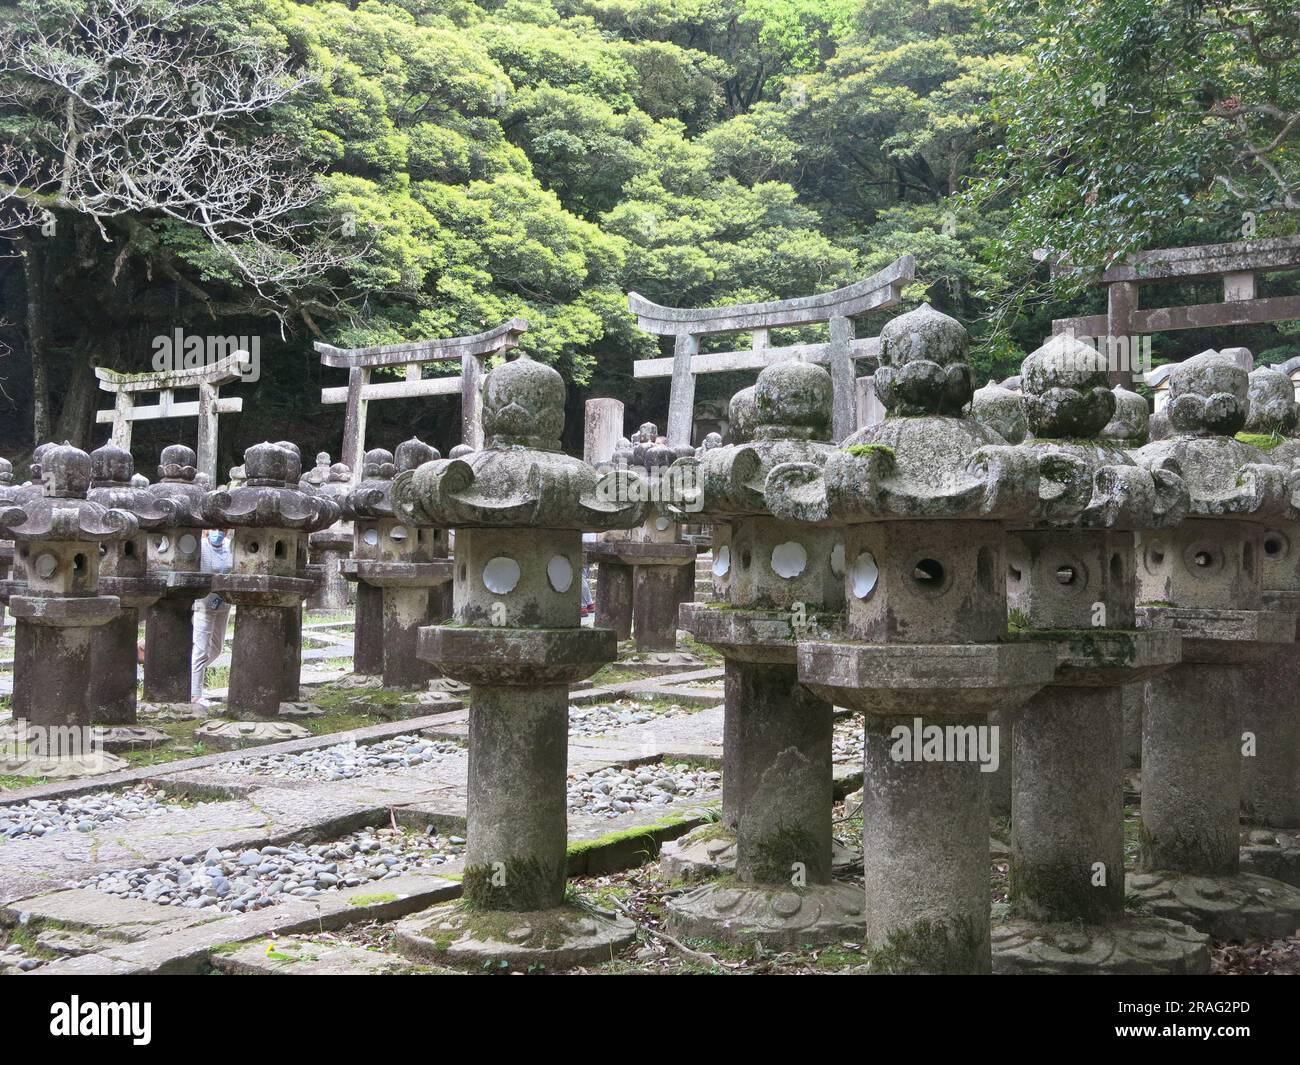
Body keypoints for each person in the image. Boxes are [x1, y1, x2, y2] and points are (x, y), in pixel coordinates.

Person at [191, 528, 233, 704]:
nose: (218, 533)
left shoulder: (231, 547)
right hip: (204, 603)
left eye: (222, 529)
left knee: (216, 648)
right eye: (214, 529)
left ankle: (188, 677)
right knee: (201, 649)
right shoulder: (200, 547)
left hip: (223, 603)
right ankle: (195, 695)